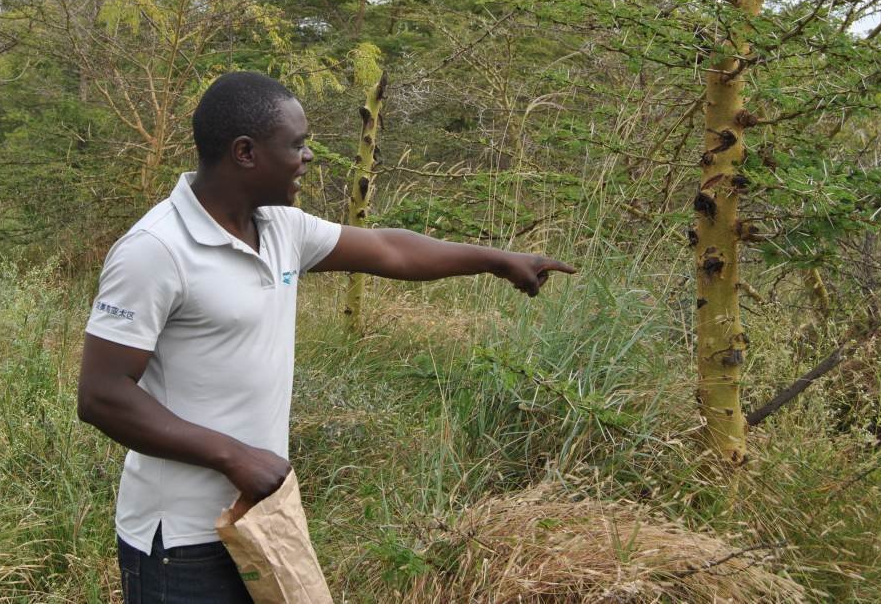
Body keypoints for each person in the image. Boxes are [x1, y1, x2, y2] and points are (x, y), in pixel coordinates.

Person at [77, 71, 575, 603]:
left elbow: (391, 249)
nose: (309, 156)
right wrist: (234, 457)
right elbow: (103, 395)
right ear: (245, 153)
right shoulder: (156, 249)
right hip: (178, 540)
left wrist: (497, 260)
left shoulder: (280, 228)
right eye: (297, 144)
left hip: (260, 519)